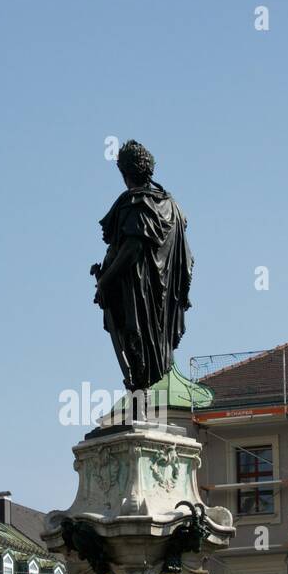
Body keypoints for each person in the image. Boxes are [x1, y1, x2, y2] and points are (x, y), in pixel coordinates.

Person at [92, 140, 193, 394]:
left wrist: (105, 280)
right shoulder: (173, 208)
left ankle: (139, 397)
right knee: (145, 344)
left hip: (137, 293)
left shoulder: (135, 202)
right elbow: (188, 260)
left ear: (125, 173)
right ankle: (140, 397)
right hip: (163, 298)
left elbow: (133, 248)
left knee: (133, 338)